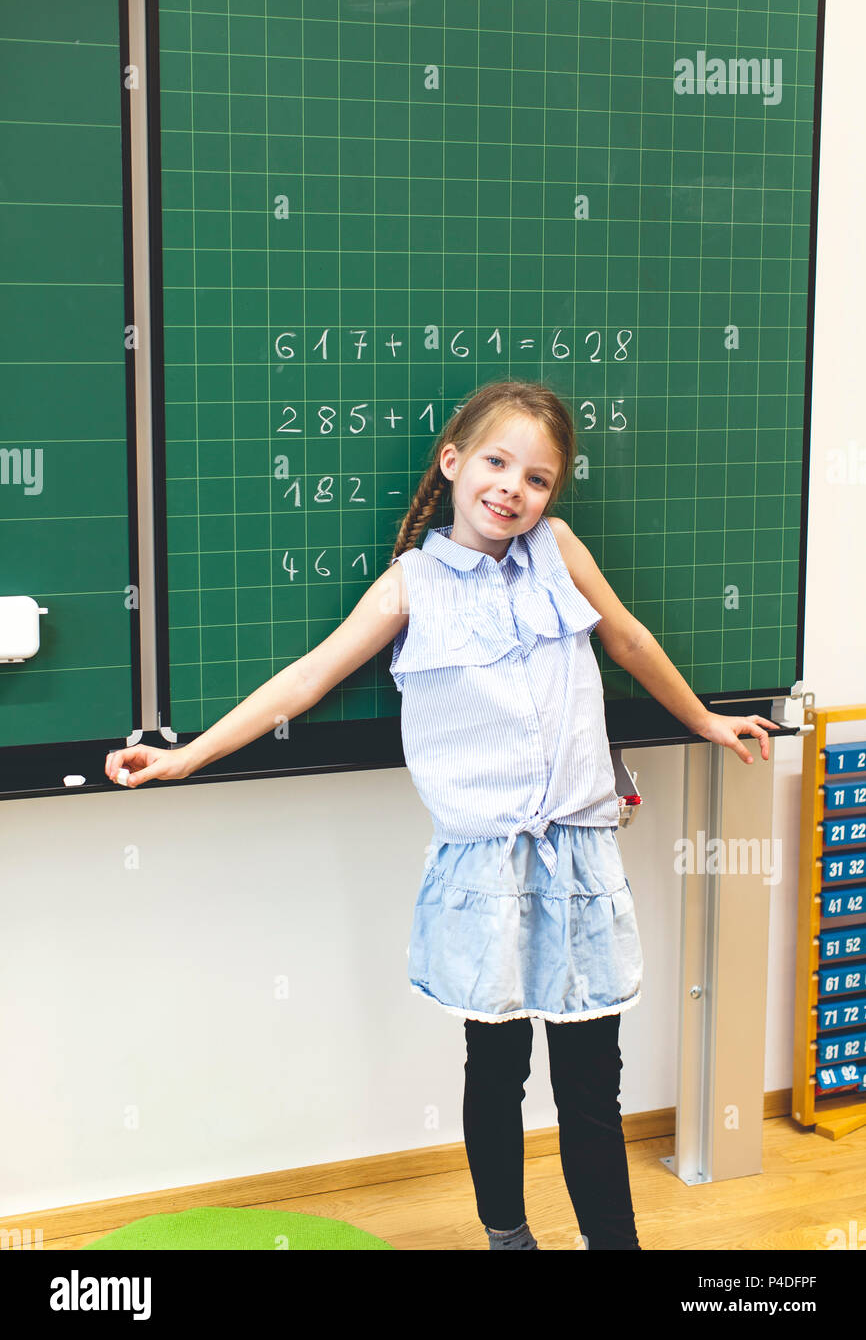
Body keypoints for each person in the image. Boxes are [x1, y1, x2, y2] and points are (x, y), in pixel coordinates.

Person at [105, 377, 779, 1251]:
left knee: (590, 1078)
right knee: (495, 1068)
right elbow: (307, 679)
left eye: (538, 478)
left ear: (554, 493)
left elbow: (631, 640)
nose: (514, 489)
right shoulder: (411, 585)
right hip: (482, 866)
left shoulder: (561, 551)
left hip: (580, 852)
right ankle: (508, 1235)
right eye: (497, 463)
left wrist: (706, 719)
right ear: (455, 462)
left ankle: (617, 1246)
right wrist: (185, 755)